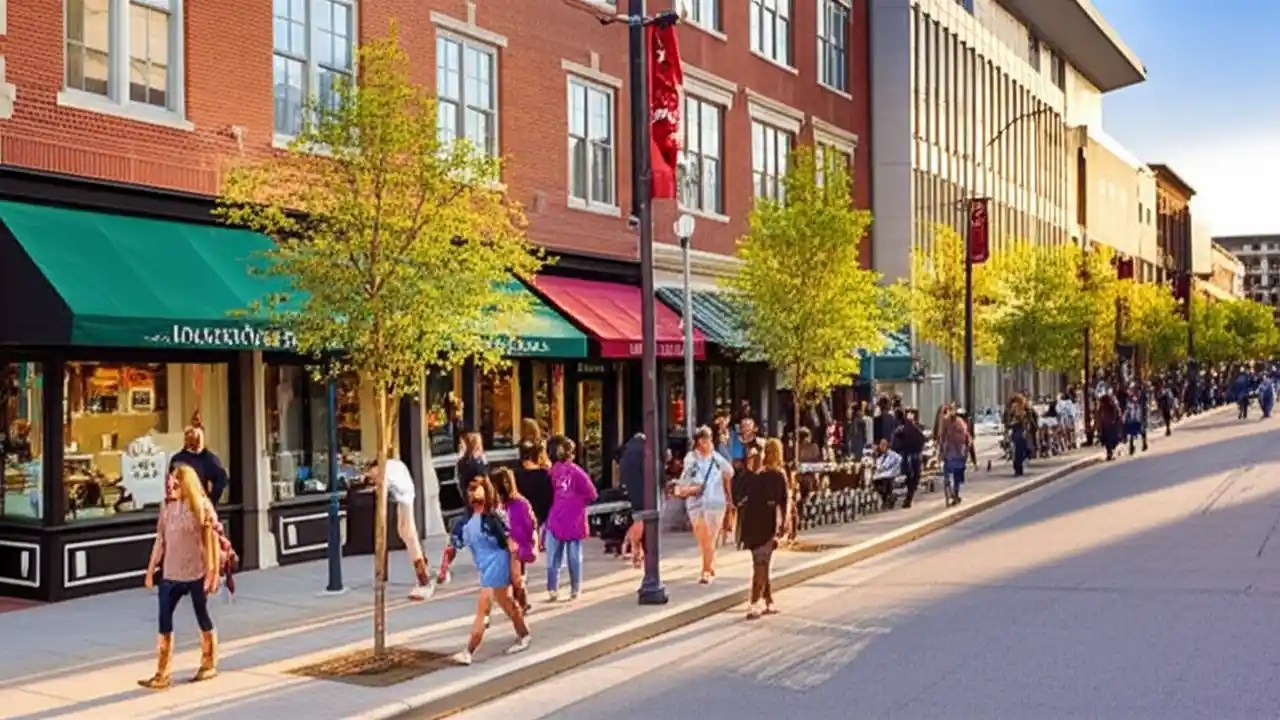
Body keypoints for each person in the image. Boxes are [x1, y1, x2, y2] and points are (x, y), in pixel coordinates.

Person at [139, 465, 220, 690]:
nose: (171, 488)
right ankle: (162, 673)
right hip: (170, 574)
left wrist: (212, 573)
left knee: (202, 615)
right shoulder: (166, 507)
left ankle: (209, 661)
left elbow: (211, 541)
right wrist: (150, 569)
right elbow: (160, 539)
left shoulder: (200, 506)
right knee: (164, 619)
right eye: (169, 484)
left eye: (176, 484)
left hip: (195, 572)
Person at [451, 475, 531, 666]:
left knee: (483, 607)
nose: (472, 495)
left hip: (497, 563)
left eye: (476, 490)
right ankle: (524, 635)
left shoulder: (494, 518)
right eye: (470, 491)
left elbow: (511, 545)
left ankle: (469, 650)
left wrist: (515, 573)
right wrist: (444, 569)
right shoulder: (465, 522)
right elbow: (454, 545)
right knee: (507, 603)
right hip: (486, 565)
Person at [366, 456, 435, 601]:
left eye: (372, 474)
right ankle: (423, 571)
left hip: (404, 496)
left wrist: (378, 486)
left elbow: (386, 489)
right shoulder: (390, 467)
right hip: (404, 496)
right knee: (405, 531)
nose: (373, 478)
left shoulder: (386, 471)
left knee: (408, 533)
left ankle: (424, 578)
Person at [675, 425, 734, 585]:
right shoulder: (691, 458)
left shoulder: (716, 458)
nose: (709, 442)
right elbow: (688, 477)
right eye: (707, 439)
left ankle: (707, 568)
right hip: (697, 502)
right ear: (700, 441)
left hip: (716, 502)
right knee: (704, 538)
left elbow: (730, 471)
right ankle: (708, 568)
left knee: (711, 538)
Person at [737, 440, 789, 620]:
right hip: (767, 523)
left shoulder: (756, 475)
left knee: (760, 562)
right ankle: (754, 602)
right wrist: (785, 525)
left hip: (751, 523)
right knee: (762, 563)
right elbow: (785, 502)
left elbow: (743, 495)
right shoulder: (779, 475)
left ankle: (768, 599)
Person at [545, 436, 598, 602]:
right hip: (574, 517)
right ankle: (575, 588)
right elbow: (592, 493)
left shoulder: (553, 471)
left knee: (553, 556)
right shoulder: (577, 472)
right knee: (574, 555)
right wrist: (579, 501)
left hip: (556, 517)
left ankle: (553, 588)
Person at [492, 468, 536, 612]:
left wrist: (528, 542)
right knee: (512, 577)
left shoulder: (518, 503)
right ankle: (518, 603)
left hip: (517, 546)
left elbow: (530, 524)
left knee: (517, 576)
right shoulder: (498, 505)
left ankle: (521, 604)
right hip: (506, 546)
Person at [168, 411, 229, 505]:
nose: (192, 436)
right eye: (189, 433)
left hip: (201, 507)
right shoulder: (178, 460)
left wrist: (210, 502)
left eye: (197, 433)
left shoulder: (209, 459)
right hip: (182, 507)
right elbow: (171, 485)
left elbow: (220, 480)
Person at [515, 420, 553, 535]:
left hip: (525, 476)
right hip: (538, 475)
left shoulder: (522, 444)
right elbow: (545, 461)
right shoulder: (540, 444)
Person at [618, 432, 647, 568]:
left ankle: (634, 550)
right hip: (644, 492)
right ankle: (636, 551)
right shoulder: (644, 453)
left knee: (637, 519)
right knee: (641, 521)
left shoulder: (626, 455)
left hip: (631, 492)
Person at [891, 409, 927, 509]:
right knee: (913, 478)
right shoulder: (911, 426)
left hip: (907, 454)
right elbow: (922, 438)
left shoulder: (900, 428)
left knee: (907, 476)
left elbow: (896, 443)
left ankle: (906, 497)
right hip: (914, 454)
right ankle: (908, 497)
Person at [939, 408, 971, 506]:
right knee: (957, 477)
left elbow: (941, 438)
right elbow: (967, 439)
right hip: (958, 454)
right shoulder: (961, 424)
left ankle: (950, 494)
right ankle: (955, 494)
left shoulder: (945, 424)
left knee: (948, 474)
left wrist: (941, 452)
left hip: (949, 453)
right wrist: (966, 452)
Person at [870, 438, 903, 509]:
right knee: (880, 488)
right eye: (881, 445)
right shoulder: (878, 455)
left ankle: (888, 501)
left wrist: (895, 469)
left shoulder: (892, 454)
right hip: (879, 475)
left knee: (887, 488)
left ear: (886, 446)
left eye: (884, 445)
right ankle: (889, 499)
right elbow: (875, 464)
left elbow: (900, 460)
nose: (882, 447)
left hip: (889, 475)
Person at [1005, 395, 1034, 477]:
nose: (1014, 405)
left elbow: (1027, 421)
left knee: (1019, 451)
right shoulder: (1012, 410)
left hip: (1019, 431)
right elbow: (1008, 421)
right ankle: (1018, 468)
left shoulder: (1023, 410)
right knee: (1018, 451)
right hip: (1017, 432)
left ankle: (1018, 468)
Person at [1097, 394, 1122, 461]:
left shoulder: (1111, 404)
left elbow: (1116, 411)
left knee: (1110, 439)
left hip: (1109, 423)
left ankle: (1110, 452)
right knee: (1107, 439)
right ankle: (1109, 453)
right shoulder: (1104, 405)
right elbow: (1099, 412)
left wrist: (1114, 419)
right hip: (1106, 424)